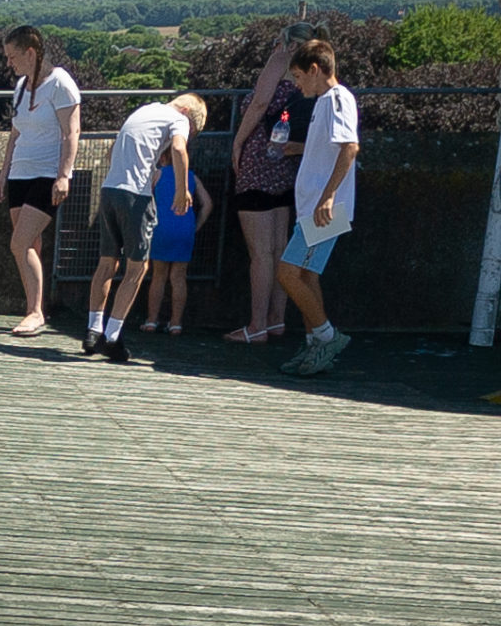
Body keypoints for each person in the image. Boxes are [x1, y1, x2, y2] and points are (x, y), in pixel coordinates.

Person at [81, 92, 208, 361]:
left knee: (107, 263)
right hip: (135, 196)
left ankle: (93, 329)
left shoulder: (146, 110)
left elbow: (111, 154)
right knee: (138, 268)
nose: (189, 134)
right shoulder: (179, 119)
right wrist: (182, 190)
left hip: (109, 190)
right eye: (193, 131)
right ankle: (112, 336)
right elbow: (178, 149)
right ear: (187, 112)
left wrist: (148, 166)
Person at [276, 39, 359, 376]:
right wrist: (298, 148)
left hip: (324, 209)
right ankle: (314, 347)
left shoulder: (337, 99)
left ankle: (327, 336)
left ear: (315, 69)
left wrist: (326, 197)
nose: (298, 84)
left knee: (287, 272)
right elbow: (331, 148)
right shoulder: (326, 101)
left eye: (299, 76)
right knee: (307, 276)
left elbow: (349, 148)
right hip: (318, 207)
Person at [0, 25, 79, 337]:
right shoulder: (20, 86)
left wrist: (64, 175)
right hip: (20, 173)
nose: (9, 63)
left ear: (31, 52)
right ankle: (33, 306)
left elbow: (71, 133)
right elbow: (15, 134)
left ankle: (36, 312)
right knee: (30, 244)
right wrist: (3, 175)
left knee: (21, 242)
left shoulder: (60, 84)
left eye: (13, 56)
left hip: (46, 173)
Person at [226, 31, 310, 344]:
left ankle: (257, 325)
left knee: (260, 254)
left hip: (259, 167)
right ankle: (276, 320)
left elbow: (260, 102)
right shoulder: (309, 73)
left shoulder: (281, 59)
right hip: (286, 168)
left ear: (285, 42)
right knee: (278, 250)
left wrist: (238, 142)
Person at [141, 149, 214, 334]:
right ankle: (176, 323)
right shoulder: (191, 176)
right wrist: (195, 226)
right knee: (179, 278)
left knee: (158, 276)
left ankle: (151, 320)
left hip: (161, 227)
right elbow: (207, 204)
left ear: (163, 157)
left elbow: (144, 199)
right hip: (184, 229)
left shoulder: (157, 174)